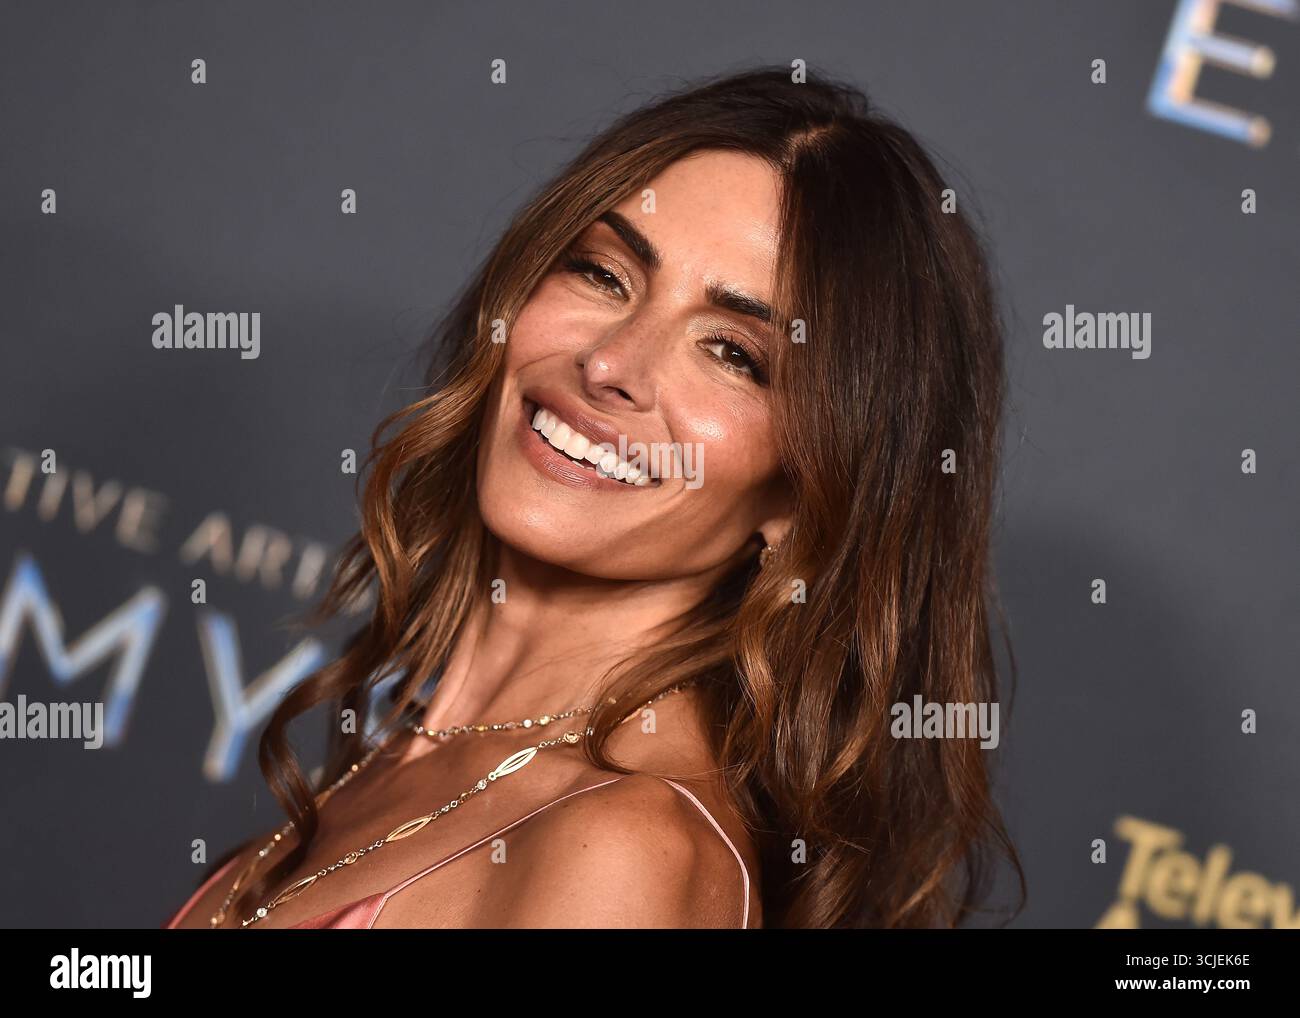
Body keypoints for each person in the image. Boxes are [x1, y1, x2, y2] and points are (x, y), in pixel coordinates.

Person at [165, 65, 1022, 930]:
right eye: (604, 275)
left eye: (733, 353)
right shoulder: (423, 755)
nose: (610, 364)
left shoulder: (628, 849)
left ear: (805, 496)